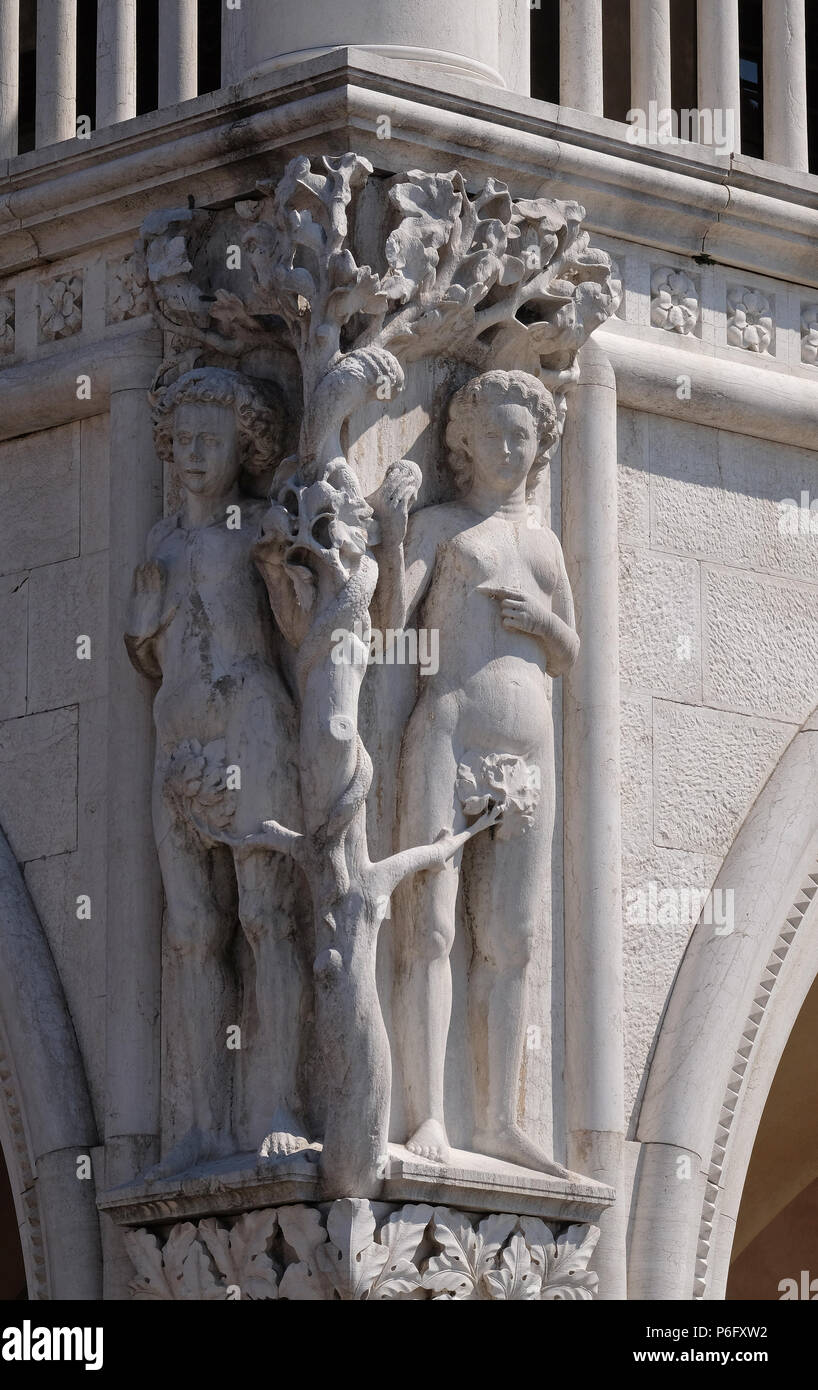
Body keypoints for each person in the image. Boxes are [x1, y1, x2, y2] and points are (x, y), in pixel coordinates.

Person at [380, 369, 579, 1173]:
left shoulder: (544, 542)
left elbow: (569, 652)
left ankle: (497, 1117)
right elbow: (392, 621)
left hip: (529, 757)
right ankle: (430, 1114)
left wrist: (541, 622)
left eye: (519, 437)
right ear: (462, 443)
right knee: (429, 927)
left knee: (512, 937)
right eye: (491, 435)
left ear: (537, 450)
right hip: (449, 731)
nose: (505, 449)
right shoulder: (444, 528)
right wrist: (393, 535)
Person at [126, 366, 309, 1173]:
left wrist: (279, 566)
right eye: (184, 441)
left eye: (214, 440)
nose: (195, 454)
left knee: (266, 918)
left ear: (246, 448)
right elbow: (142, 649)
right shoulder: (160, 543)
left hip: (251, 728)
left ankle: (277, 1103)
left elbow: (305, 629)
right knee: (192, 930)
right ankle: (197, 1122)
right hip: (178, 741)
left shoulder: (260, 524)